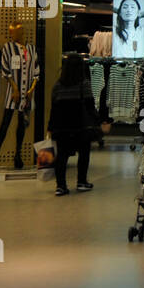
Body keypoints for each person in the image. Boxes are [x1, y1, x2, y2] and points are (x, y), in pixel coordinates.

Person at [47, 54, 98, 196]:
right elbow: (90, 107)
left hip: (61, 127)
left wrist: (50, 127)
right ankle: (81, 182)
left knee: (61, 156)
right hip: (80, 126)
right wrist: (97, 122)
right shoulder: (84, 84)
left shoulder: (57, 86)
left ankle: (61, 186)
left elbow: (54, 108)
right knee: (84, 153)